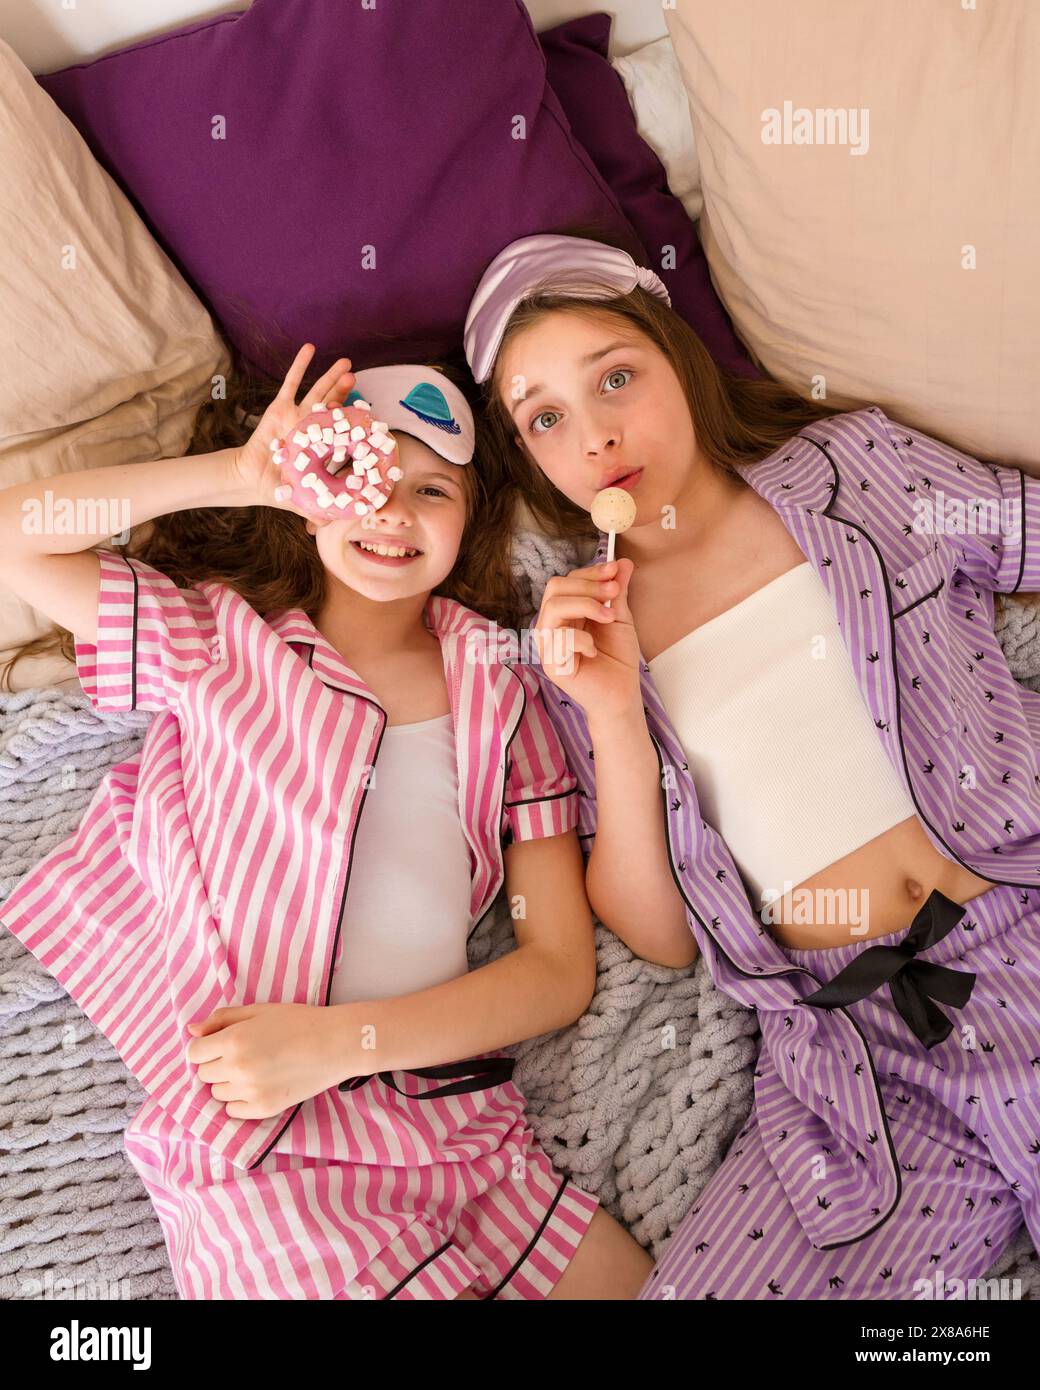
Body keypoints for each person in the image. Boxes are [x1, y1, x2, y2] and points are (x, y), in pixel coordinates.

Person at [0, 345, 653, 1300]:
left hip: (459, 1138)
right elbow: (20, 537)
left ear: (469, 521)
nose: (392, 508)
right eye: (357, 473)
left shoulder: (503, 693)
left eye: (432, 489)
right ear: (303, 504)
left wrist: (340, 1043)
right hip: (263, 1152)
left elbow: (556, 971)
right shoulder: (217, 643)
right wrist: (234, 476)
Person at [462, 230, 1040, 1299]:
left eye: (615, 379)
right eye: (544, 418)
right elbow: (657, 934)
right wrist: (613, 715)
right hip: (855, 1058)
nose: (594, 437)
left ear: (673, 357)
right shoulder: (574, 650)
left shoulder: (856, 469)